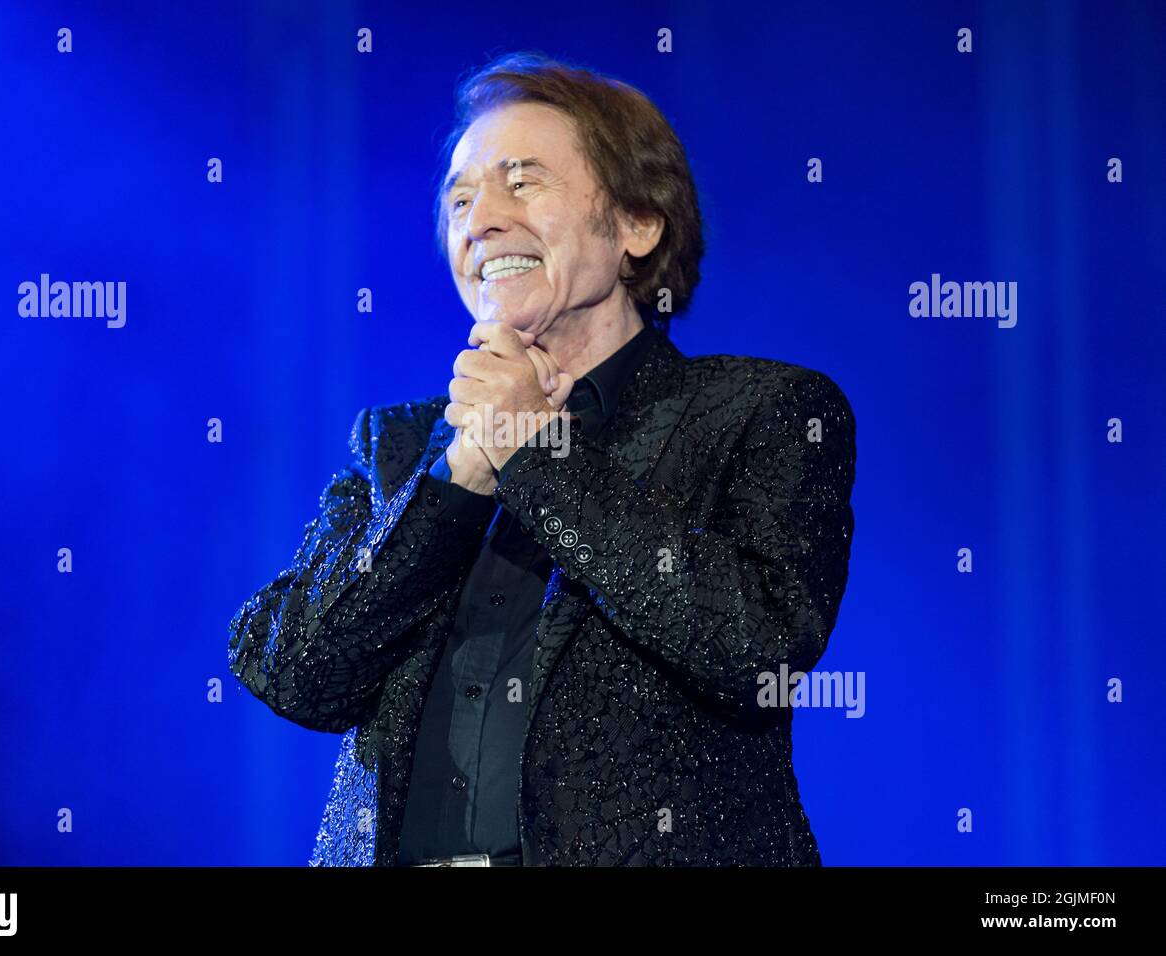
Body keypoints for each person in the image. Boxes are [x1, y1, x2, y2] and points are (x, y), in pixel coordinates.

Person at [228, 52, 856, 866]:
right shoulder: (399, 445)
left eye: (522, 181)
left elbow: (756, 646)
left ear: (637, 222)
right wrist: (456, 479)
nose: (479, 218)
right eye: (459, 198)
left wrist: (534, 451)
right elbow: (295, 672)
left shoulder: (763, 411)